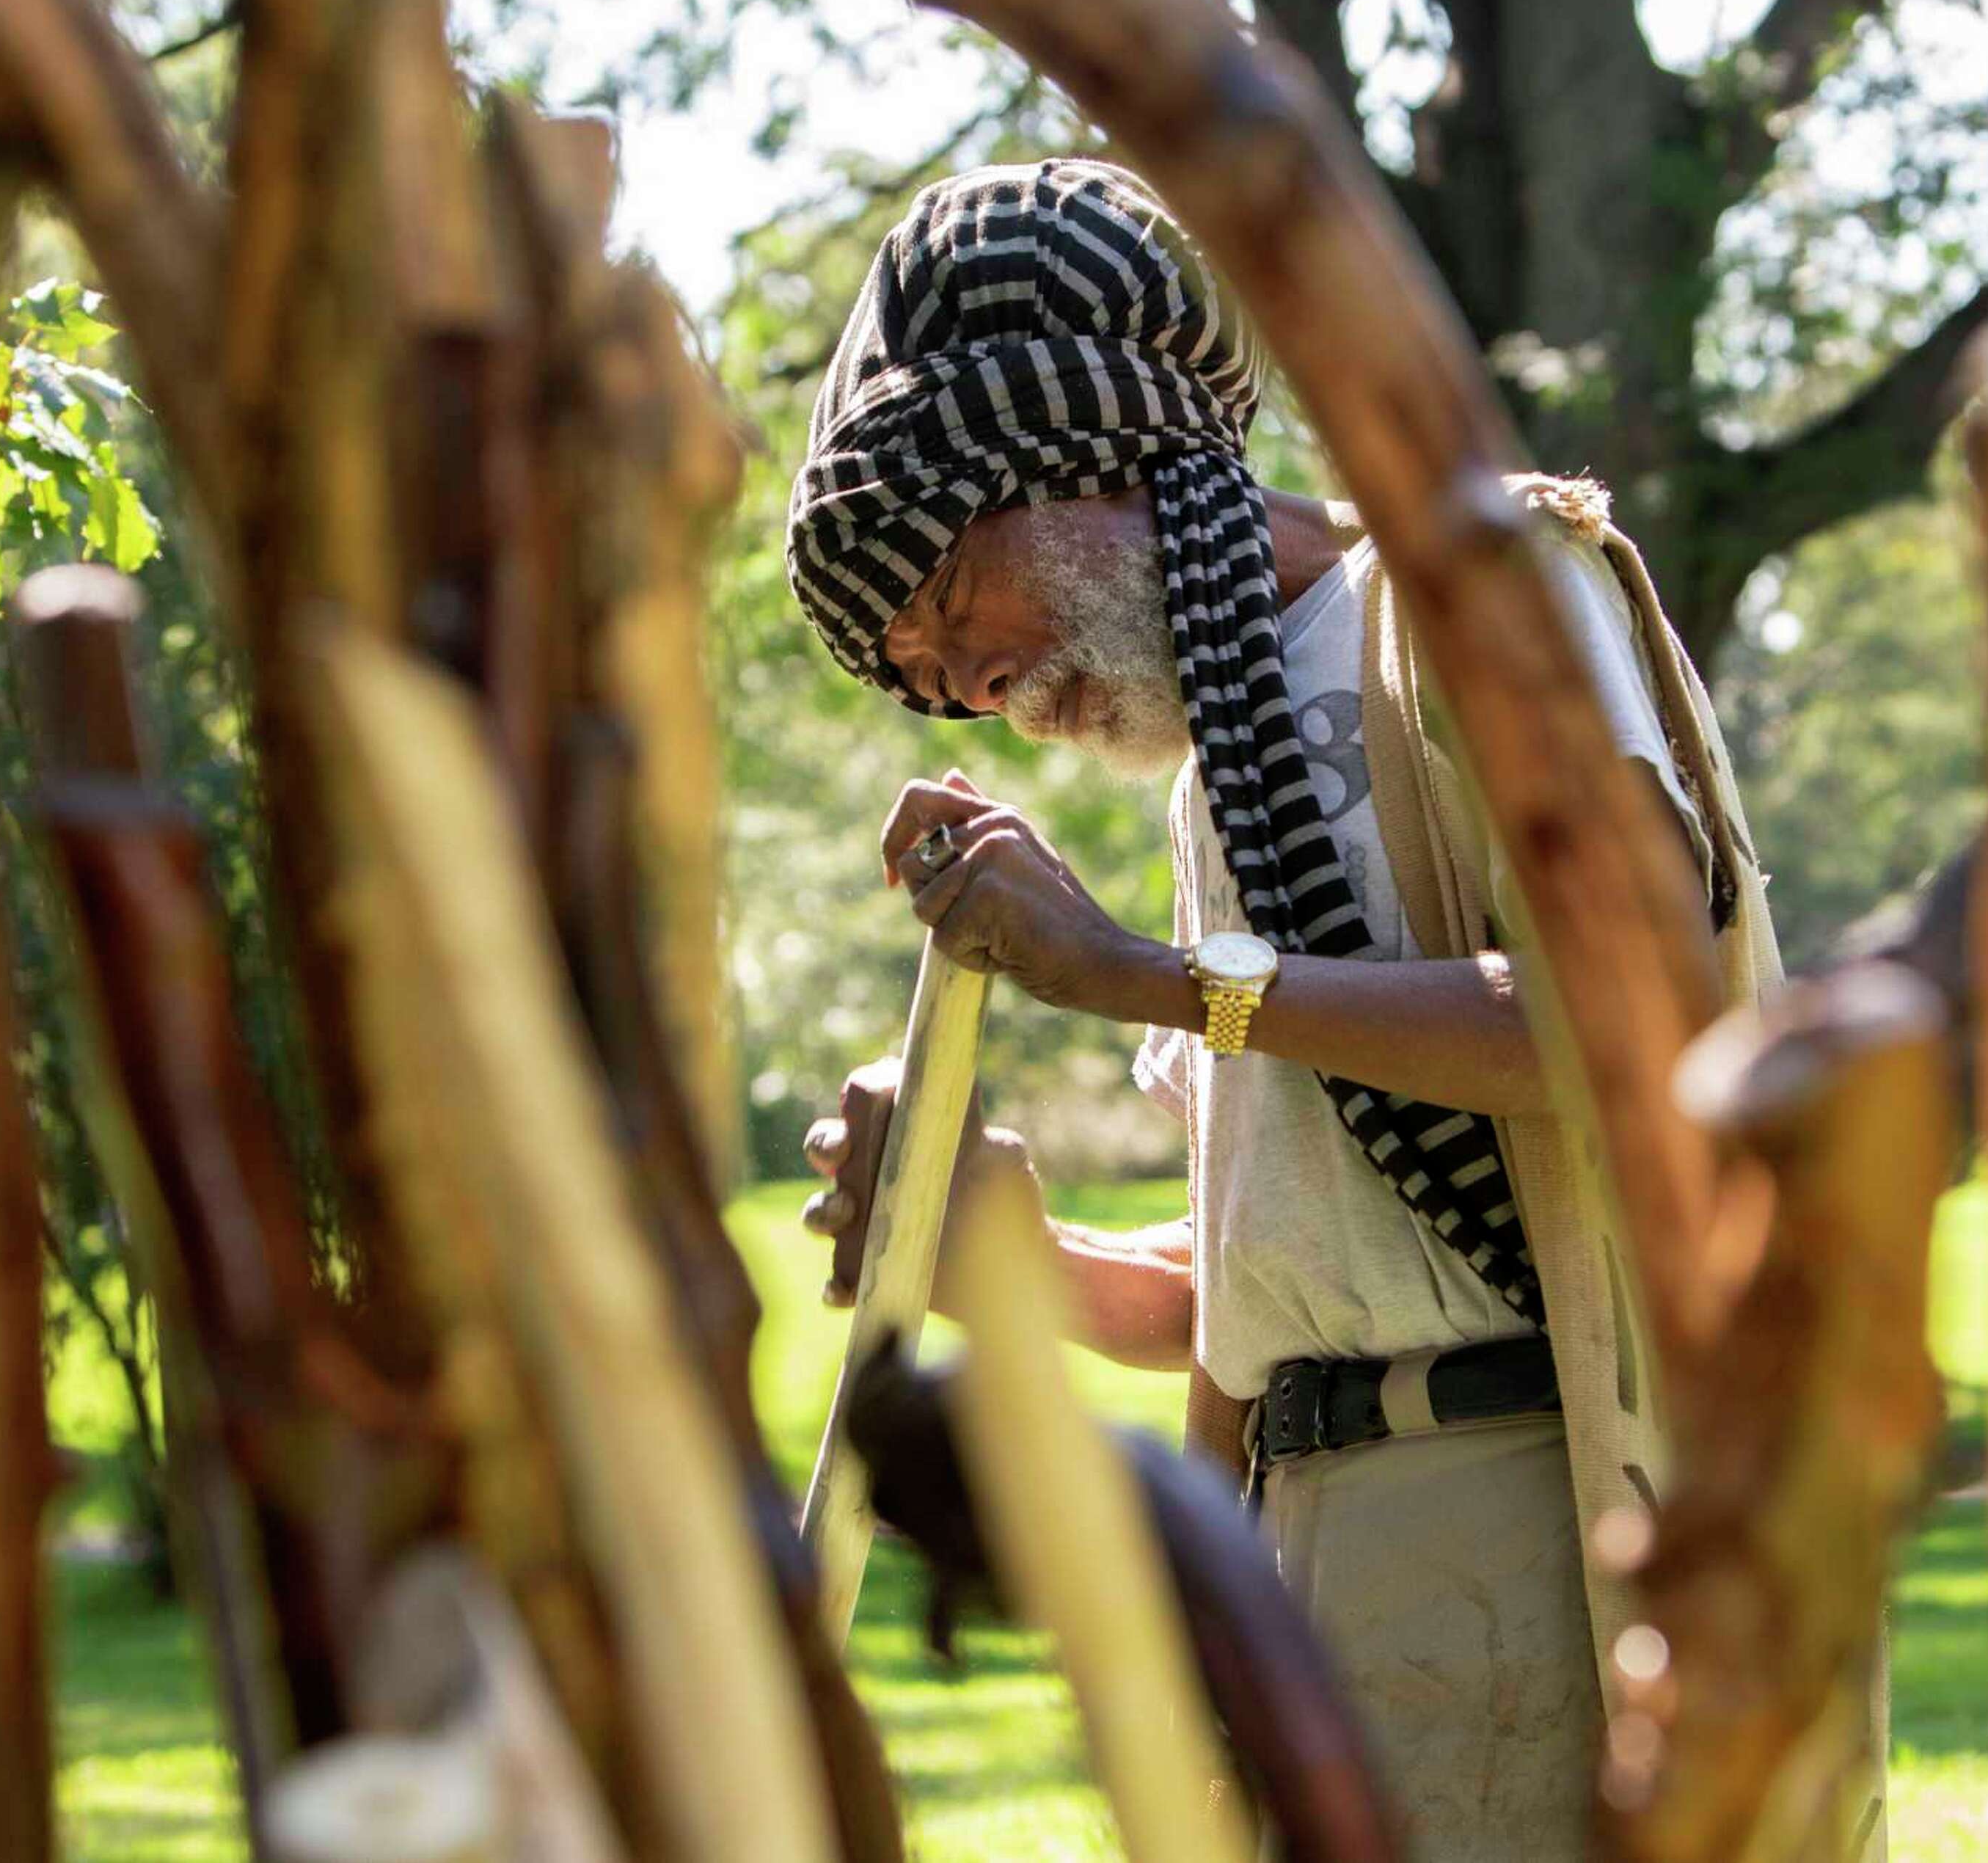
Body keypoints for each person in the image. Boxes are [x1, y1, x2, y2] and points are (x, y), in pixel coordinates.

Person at [782, 160, 1866, 1862]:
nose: (970, 691)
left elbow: (1635, 1020)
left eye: (941, 604)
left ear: (1076, 457)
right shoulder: (1217, 777)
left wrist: (1141, 976)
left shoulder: (1483, 591)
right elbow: (1286, 1281)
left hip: (1560, 1518)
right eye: (927, 681)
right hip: (1312, 1552)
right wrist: (1000, 1246)